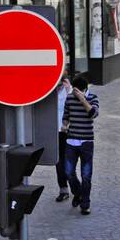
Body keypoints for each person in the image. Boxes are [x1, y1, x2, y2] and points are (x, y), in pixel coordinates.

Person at [62, 74, 99, 216]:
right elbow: (66, 116)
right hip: (71, 141)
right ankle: (78, 193)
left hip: (87, 142)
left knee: (86, 175)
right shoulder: (70, 98)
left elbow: (93, 114)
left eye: (77, 90)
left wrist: (83, 100)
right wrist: (64, 126)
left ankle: (85, 204)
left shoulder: (93, 98)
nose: (74, 93)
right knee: (69, 172)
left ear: (84, 89)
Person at [54, 71, 72, 202]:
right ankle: (63, 189)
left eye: (60, 84)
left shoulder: (69, 93)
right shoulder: (50, 94)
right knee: (58, 161)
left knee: (69, 160)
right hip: (55, 131)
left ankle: (76, 188)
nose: (58, 86)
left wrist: (68, 89)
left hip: (68, 131)